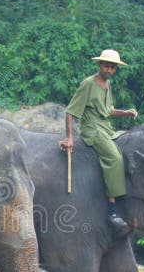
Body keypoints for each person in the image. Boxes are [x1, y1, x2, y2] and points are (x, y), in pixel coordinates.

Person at [58, 49, 138, 234]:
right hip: (92, 129)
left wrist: (125, 112)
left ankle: (126, 198)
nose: (109, 69)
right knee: (114, 158)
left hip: (106, 126)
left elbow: (108, 110)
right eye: (106, 65)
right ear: (99, 65)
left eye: (112, 67)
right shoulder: (88, 84)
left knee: (128, 142)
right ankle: (112, 209)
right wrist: (69, 137)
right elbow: (70, 111)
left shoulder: (107, 84)